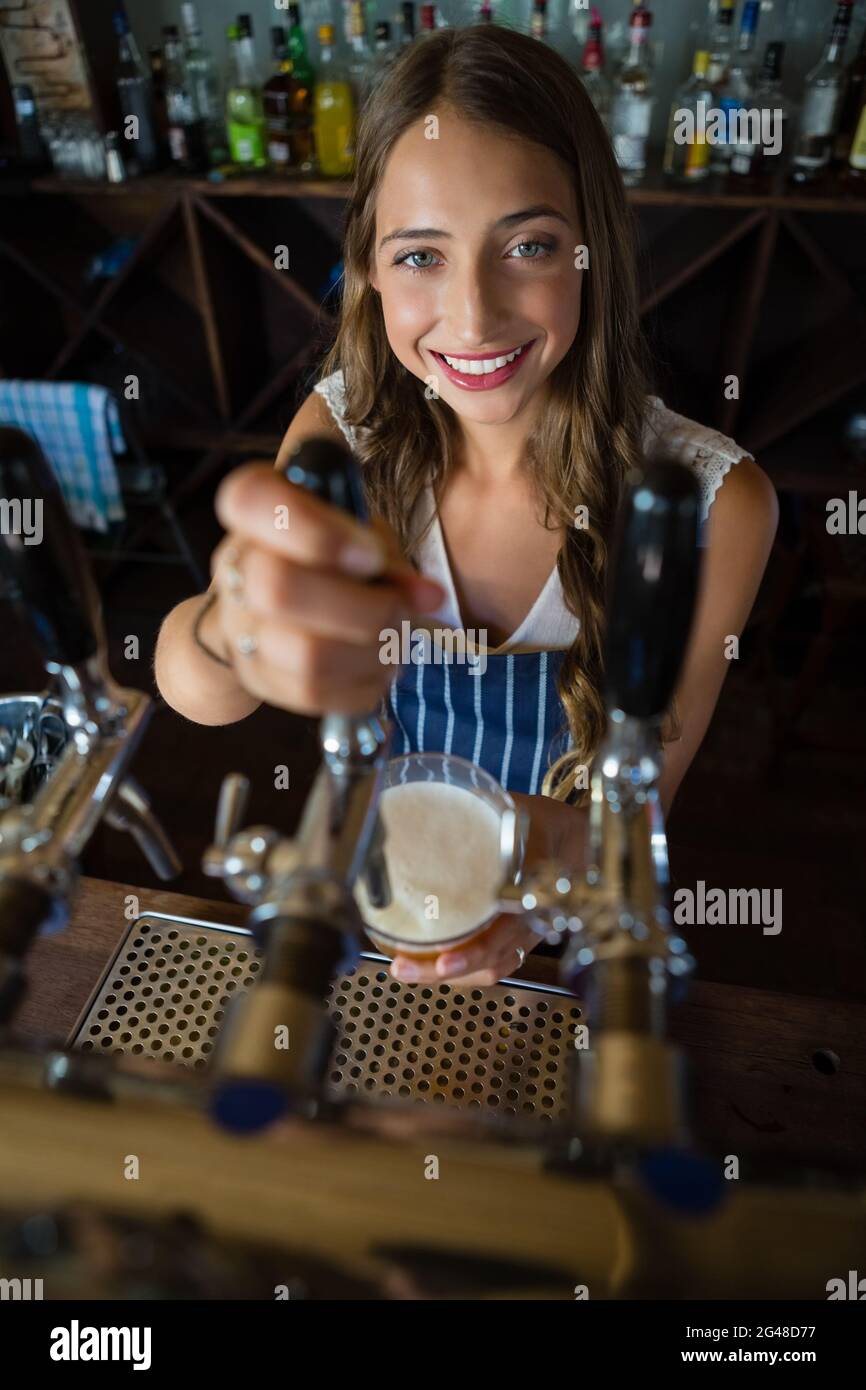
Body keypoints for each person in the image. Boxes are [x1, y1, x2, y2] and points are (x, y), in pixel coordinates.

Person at [155, 26, 777, 988]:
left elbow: (640, 810)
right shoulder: (346, 435)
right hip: (385, 859)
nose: (476, 317)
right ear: (365, 266)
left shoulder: (715, 504)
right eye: (420, 256)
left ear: (590, 253)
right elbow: (197, 696)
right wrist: (233, 622)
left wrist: (531, 903)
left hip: (564, 897)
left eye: (526, 245)